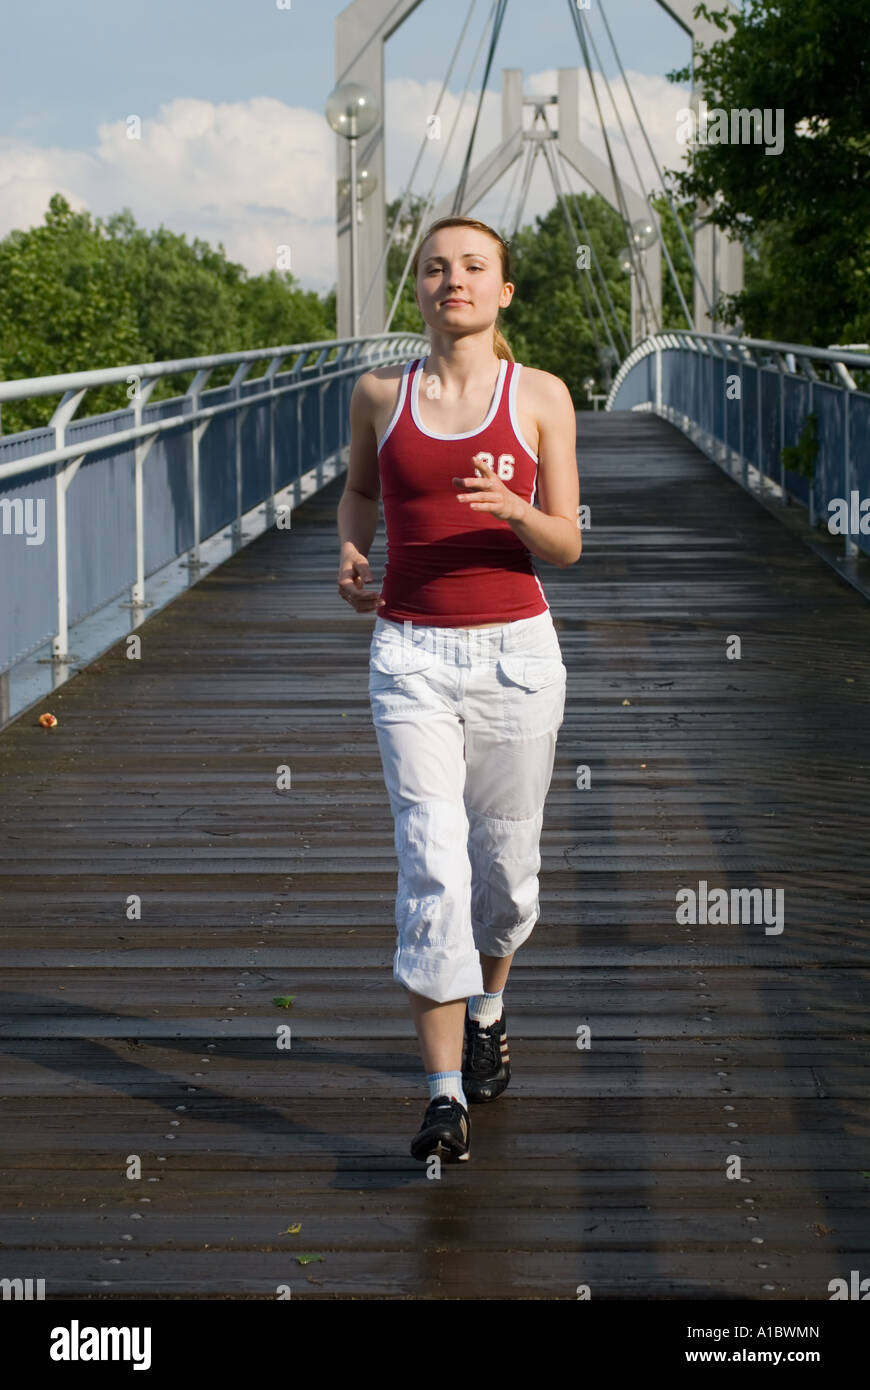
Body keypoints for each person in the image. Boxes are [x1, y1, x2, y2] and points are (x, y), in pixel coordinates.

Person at [337, 216, 581, 1163]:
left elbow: (567, 543)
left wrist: (517, 508)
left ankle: (490, 1006)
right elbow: (360, 493)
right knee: (432, 864)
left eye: (475, 267)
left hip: (517, 655)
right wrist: (353, 553)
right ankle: (443, 1096)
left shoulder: (543, 397)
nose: (455, 281)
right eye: (437, 268)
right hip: (409, 657)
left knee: (506, 882)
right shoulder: (376, 395)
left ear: (504, 290)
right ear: (421, 289)